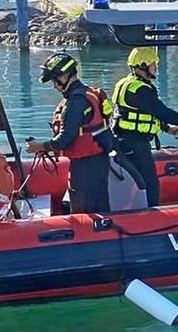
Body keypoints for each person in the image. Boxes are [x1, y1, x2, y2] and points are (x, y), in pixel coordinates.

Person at [112, 46, 178, 207]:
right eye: (153, 64)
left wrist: (167, 128)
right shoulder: (141, 90)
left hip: (125, 139)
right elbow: (162, 111)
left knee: (143, 180)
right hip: (136, 143)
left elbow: (144, 112)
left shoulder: (127, 84)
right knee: (151, 182)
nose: (156, 67)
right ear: (142, 65)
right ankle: (152, 215)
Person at [25, 52, 114, 214]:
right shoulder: (90, 94)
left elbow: (63, 140)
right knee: (101, 204)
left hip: (84, 166)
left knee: (83, 210)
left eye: (55, 81)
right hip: (99, 160)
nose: (54, 86)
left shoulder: (75, 103)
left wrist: (39, 146)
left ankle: (86, 236)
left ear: (65, 75)